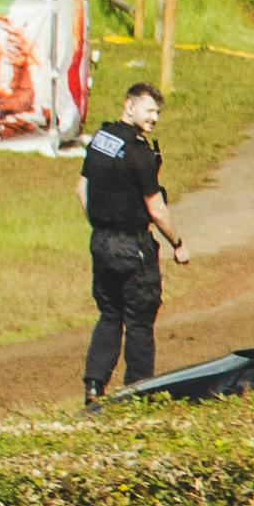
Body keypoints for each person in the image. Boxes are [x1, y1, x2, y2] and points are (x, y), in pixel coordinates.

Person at [79, 76, 183, 405]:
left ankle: (94, 385)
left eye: (157, 113)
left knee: (110, 313)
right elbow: (156, 209)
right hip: (132, 246)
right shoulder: (139, 155)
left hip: (101, 242)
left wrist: (100, 224)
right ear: (130, 105)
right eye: (149, 111)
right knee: (139, 319)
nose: (154, 118)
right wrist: (177, 244)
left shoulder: (100, 138)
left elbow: (81, 190)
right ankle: (139, 391)